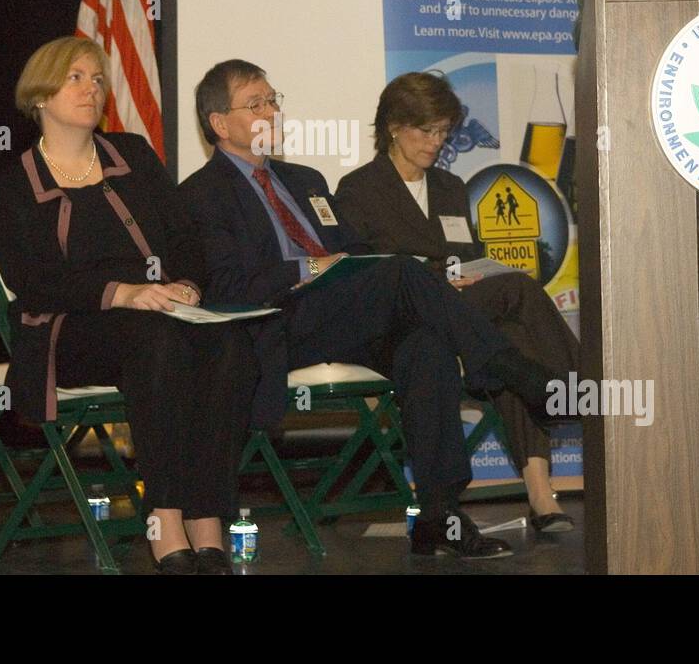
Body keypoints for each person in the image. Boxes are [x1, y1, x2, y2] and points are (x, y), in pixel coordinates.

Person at [180, 59, 564, 559]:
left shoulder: (306, 179)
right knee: (402, 271)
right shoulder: (201, 194)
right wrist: (311, 270)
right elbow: (228, 288)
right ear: (218, 123)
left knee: (425, 345)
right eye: (256, 104)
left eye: (274, 100)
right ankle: (515, 372)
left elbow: (356, 253)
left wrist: (344, 268)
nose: (272, 113)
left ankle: (439, 515)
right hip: (276, 324)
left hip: (342, 314)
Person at [0, 37, 253, 575]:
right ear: (39, 96)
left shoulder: (132, 155)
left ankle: (208, 517)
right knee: (157, 340)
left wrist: (187, 286)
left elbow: (184, 237)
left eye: (97, 79)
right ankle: (166, 517)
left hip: (160, 314)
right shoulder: (13, 184)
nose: (91, 89)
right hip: (71, 328)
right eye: (75, 78)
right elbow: (33, 281)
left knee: (229, 345)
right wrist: (122, 294)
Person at [335, 72, 580, 532]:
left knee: (510, 334)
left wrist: (464, 274)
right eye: (425, 131)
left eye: (444, 131)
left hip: (461, 310)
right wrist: (439, 277)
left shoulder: (448, 187)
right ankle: (573, 386)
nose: (436, 142)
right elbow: (370, 273)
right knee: (519, 291)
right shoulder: (358, 189)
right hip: (400, 322)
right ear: (393, 126)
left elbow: (462, 255)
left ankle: (541, 495)